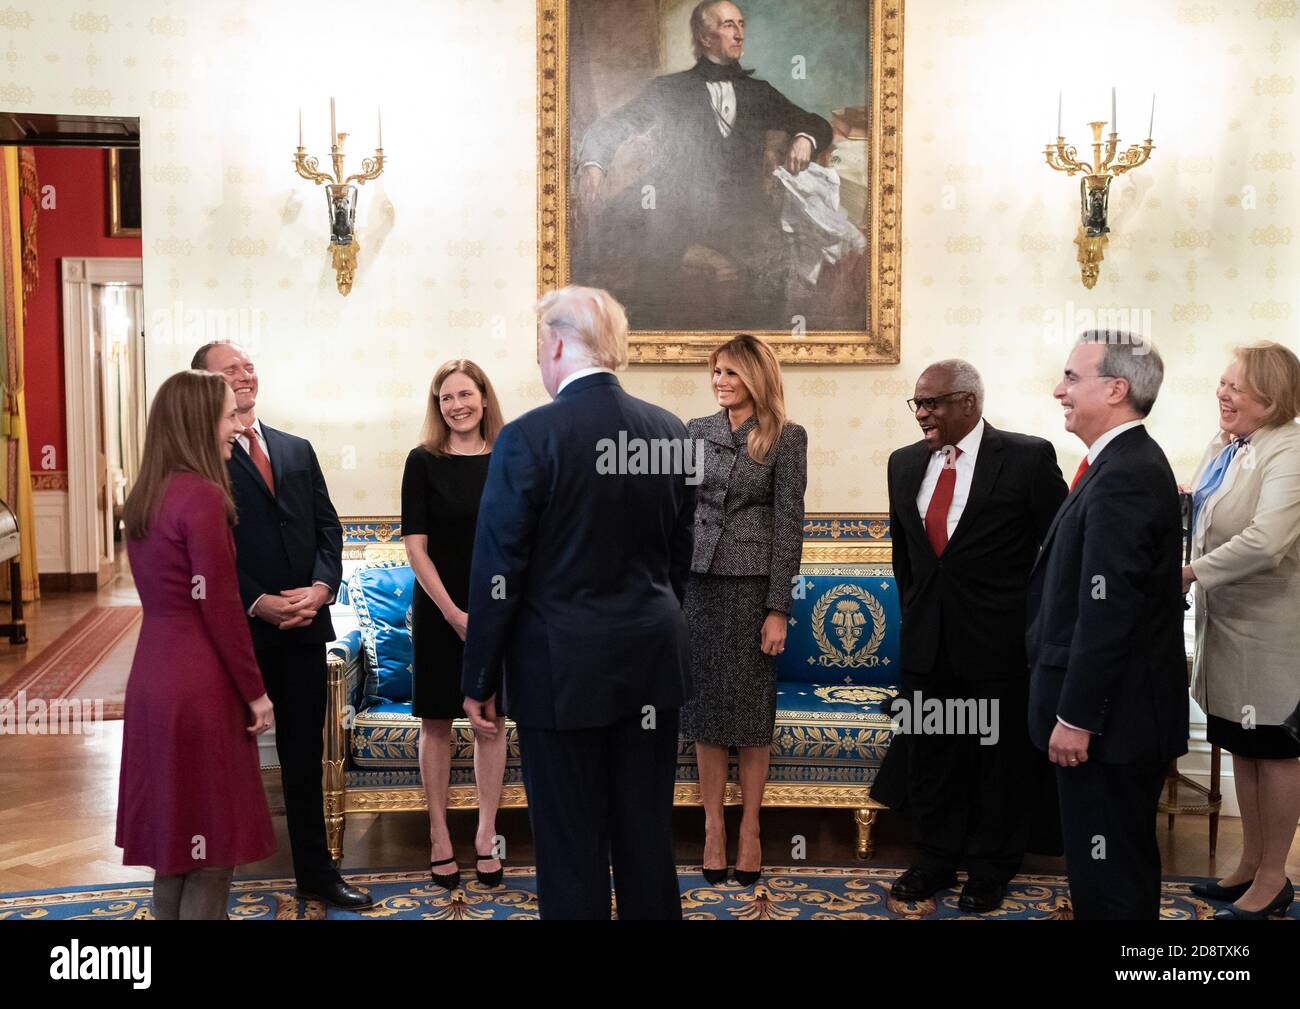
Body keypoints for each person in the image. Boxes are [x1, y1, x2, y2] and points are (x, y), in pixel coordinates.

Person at [460, 286, 696, 920]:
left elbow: (497, 570)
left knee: (570, 845)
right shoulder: (669, 432)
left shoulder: (529, 437)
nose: (541, 359)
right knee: (646, 836)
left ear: (558, 344)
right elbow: (679, 560)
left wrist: (481, 674)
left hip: (560, 671)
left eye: (541, 346)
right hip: (651, 661)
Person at [873, 360, 1067, 912]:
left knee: (997, 762)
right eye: (917, 404)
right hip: (926, 644)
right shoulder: (903, 463)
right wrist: (915, 615)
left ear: (969, 402)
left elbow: (1054, 552)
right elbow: (905, 556)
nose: (922, 414)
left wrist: (1038, 631)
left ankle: (989, 870)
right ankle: (933, 860)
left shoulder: (1028, 457)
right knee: (931, 759)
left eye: (932, 403)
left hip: (999, 646)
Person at [191, 341, 371, 910]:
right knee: (226, 760)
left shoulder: (296, 448)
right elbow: (206, 552)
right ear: (205, 384)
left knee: (303, 757)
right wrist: (256, 602)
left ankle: (316, 873)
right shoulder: (203, 456)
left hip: (305, 632)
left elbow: (329, 529)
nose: (244, 375)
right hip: (236, 637)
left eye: (248, 366)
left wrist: (321, 590)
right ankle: (211, 880)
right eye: (229, 370)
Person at [1026, 331, 1188, 920]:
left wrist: (1076, 717)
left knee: (1111, 878)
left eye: (1072, 378)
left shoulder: (1125, 472)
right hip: (1113, 718)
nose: (1058, 390)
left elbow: (1108, 613)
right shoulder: (1117, 462)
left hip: (1112, 723)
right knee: (1103, 869)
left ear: (1116, 389)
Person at [117, 370, 276, 920]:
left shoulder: (146, 494)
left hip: (153, 679)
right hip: (201, 688)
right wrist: (255, 693)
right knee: (211, 849)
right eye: (230, 415)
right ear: (198, 421)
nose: (238, 425)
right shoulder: (204, 497)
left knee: (176, 845)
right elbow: (222, 609)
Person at [573, 0, 832, 330]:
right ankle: (645, 342)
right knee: (640, 259)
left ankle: (752, 347)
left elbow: (814, 122)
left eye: (741, 25)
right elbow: (616, 124)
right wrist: (593, 163)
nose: (739, 34)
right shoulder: (668, 89)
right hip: (674, 203)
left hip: (740, 208)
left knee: (773, 260)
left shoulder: (759, 92)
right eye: (728, 25)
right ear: (705, 38)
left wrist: (804, 138)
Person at [681, 334, 807, 885]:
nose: (720, 382)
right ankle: (713, 828)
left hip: (753, 590)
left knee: (752, 717)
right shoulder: (696, 432)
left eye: (731, 373)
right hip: (697, 585)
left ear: (755, 377)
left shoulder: (786, 436)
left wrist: (777, 608)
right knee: (706, 711)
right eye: (716, 373)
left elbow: (789, 527)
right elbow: (678, 507)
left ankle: (751, 828)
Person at [1184, 342, 1300, 919]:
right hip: (1226, 625)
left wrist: (1189, 572)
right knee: (1245, 746)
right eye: (1222, 383)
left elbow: (1268, 540)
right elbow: (1204, 511)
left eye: (1234, 386)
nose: (1221, 394)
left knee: (1276, 751)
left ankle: (1276, 877)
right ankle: (1250, 863)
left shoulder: (1292, 448)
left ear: (1271, 396)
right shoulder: (1228, 445)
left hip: (1275, 634)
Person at [401, 360, 508, 890]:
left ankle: (487, 835)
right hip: (440, 607)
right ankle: (440, 834)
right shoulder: (422, 462)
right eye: (446, 398)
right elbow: (415, 547)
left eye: (466, 394)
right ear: (437, 405)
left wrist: (489, 614)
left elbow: (520, 539)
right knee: (437, 721)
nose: (457, 405)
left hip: (497, 608)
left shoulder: (510, 457)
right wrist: (451, 613)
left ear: (484, 399)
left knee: (491, 722)